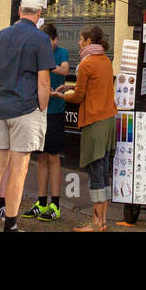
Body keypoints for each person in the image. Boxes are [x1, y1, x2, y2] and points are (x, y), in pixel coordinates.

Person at [0, 0, 55, 232]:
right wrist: (42, 109)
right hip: (25, 108)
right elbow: (44, 83)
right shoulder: (41, 39)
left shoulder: (1, 36)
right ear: (39, 14)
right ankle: (10, 225)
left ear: (20, 10)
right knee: (19, 169)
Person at [57, 25, 116, 232]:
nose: (79, 43)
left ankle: (96, 223)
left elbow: (80, 96)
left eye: (82, 40)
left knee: (95, 171)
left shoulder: (86, 64)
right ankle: (103, 221)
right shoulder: (106, 60)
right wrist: (70, 87)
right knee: (104, 169)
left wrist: (62, 95)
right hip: (109, 119)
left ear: (89, 41)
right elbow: (94, 87)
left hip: (94, 121)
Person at [21, 23, 69, 222]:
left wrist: (49, 66)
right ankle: (41, 201)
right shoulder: (35, 52)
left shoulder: (62, 52)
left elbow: (65, 70)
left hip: (55, 110)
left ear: (54, 40)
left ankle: (55, 204)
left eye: (46, 41)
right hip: (37, 109)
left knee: (53, 156)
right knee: (40, 156)